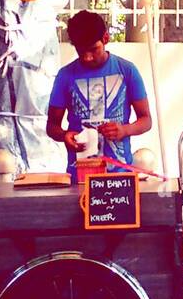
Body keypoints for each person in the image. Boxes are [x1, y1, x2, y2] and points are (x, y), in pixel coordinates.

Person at [46, 10, 152, 179]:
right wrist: (64, 135)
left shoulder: (127, 70)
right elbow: (51, 126)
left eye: (93, 49)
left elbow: (146, 120)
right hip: (79, 176)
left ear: (106, 38)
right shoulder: (65, 76)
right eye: (81, 51)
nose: (87, 57)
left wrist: (124, 130)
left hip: (120, 175)